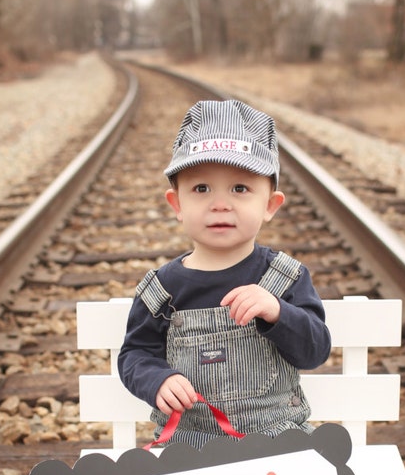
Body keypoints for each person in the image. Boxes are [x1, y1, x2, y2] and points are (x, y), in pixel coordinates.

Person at [117, 98, 332, 448]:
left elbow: (315, 350)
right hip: (188, 443)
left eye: (240, 188)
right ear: (177, 205)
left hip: (276, 440)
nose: (220, 203)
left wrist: (278, 312)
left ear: (270, 205)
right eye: (201, 189)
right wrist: (157, 380)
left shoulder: (284, 277)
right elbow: (135, 354)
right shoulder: (163, 290)